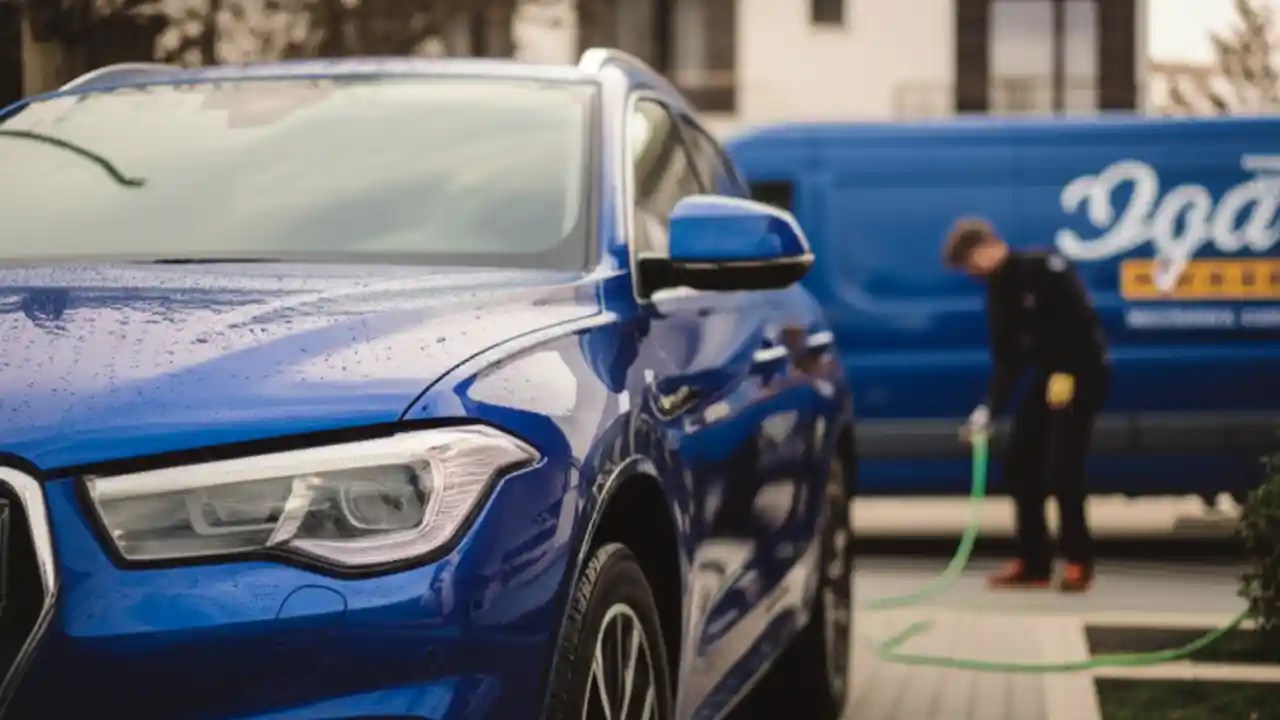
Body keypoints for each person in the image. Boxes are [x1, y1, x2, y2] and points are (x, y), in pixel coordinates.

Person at [943, 218, 1110, 593]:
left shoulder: (1043, 269)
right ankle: (1035, 562)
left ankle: (1078, 560)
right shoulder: (997, 290)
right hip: (1047, 378)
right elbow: (1009, 359)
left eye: (970, 265)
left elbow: (1081, 321)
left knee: (1063, 466)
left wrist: (1068, 371)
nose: (971, 274)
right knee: (1019, 461)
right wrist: (988, 408)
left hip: (1081, 373)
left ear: (985, 248)